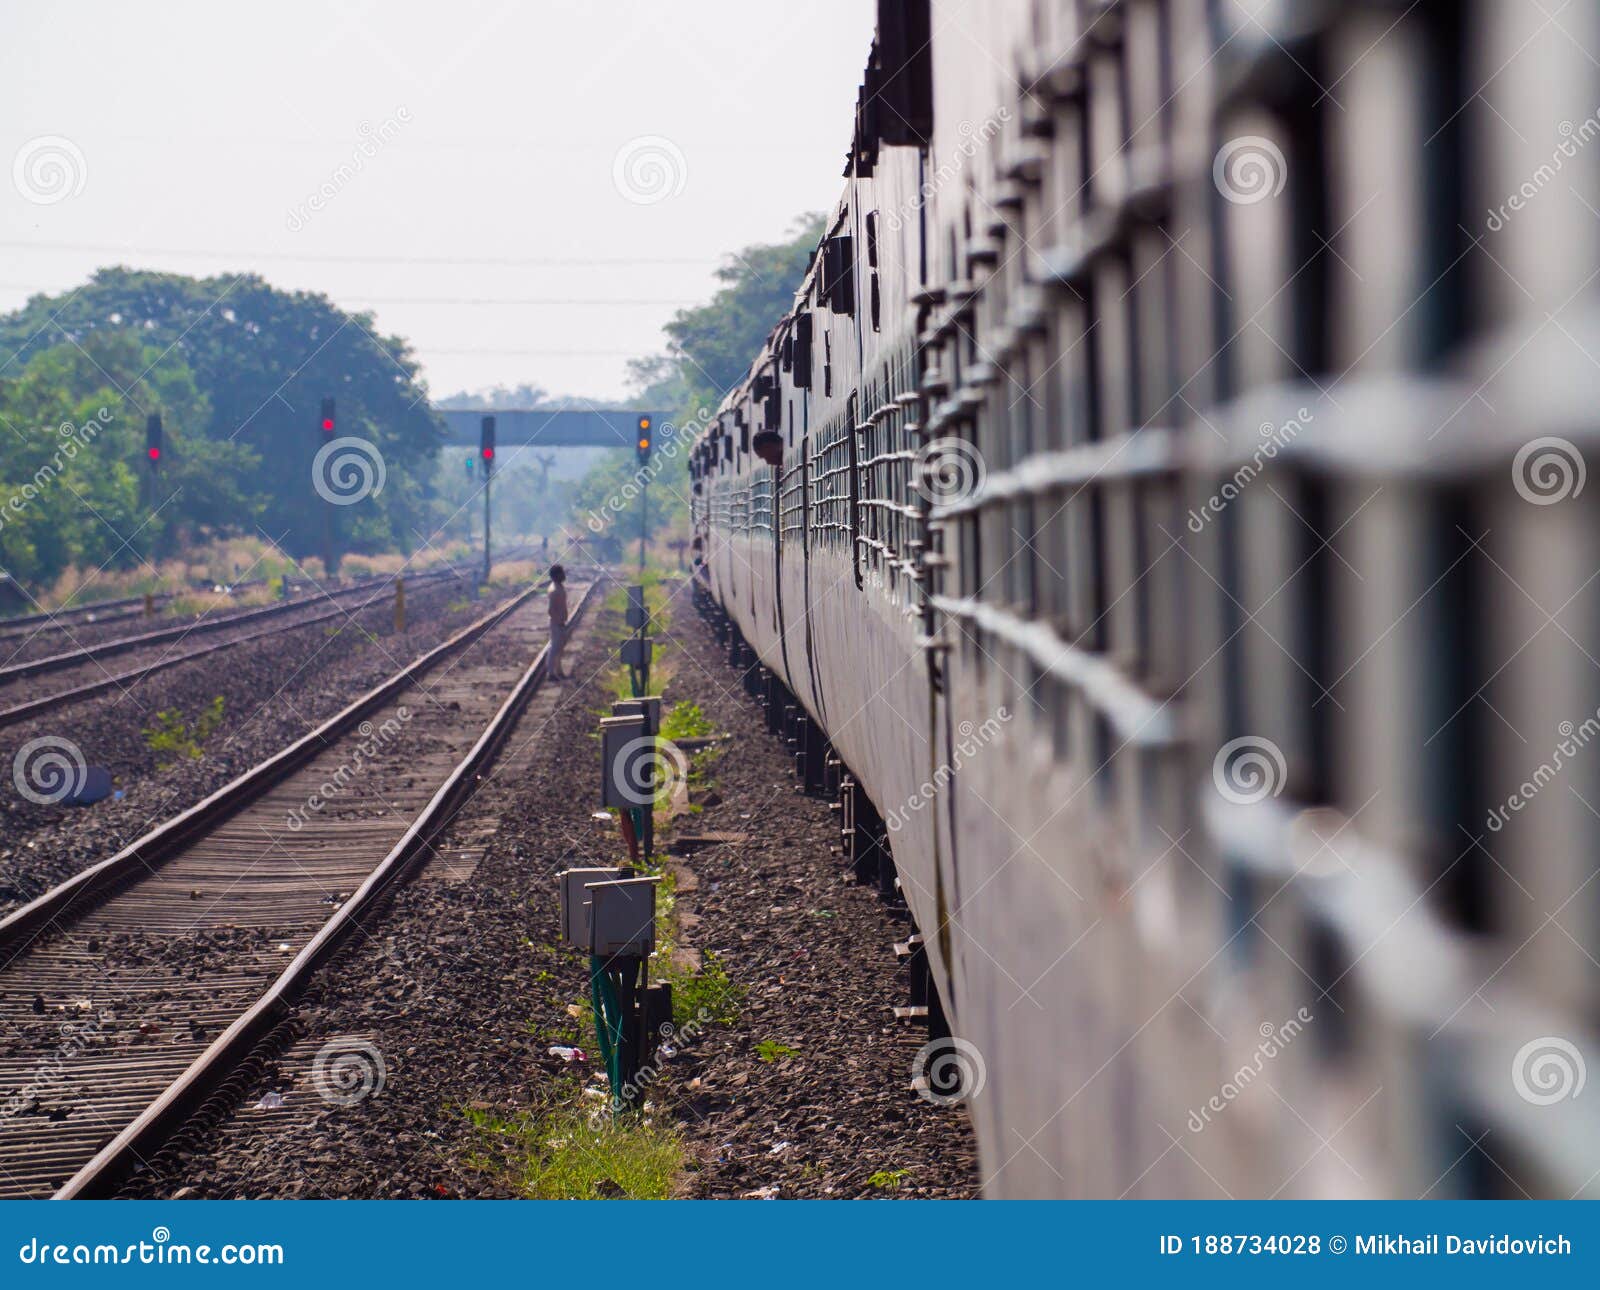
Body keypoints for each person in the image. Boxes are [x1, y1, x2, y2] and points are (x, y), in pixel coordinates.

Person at [547, 564, 569, 679]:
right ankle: (551, 672)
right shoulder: (555, 590)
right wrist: (558, 621)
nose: (564, 575)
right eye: (561, 573)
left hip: (560, 622)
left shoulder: (558, 587)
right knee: (554, 647)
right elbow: (550, 610)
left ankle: (558, 670)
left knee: (559, 648)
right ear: (557, 575)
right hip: (557, 623)